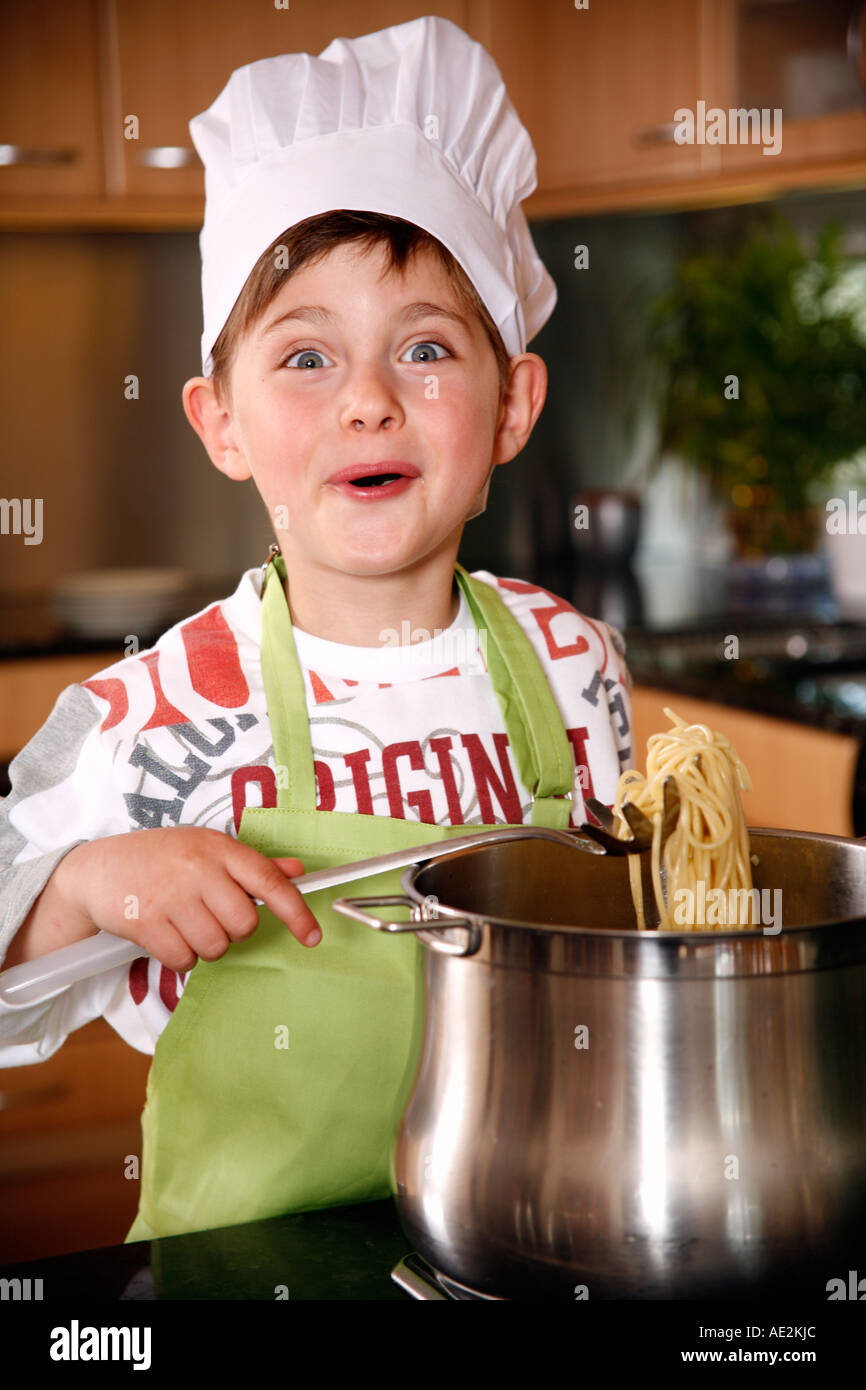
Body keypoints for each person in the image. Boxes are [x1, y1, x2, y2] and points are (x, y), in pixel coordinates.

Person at [0, 16, 633, 1241]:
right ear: (219, 421)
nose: (367, 399)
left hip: (535, 1242)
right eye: (303, 356)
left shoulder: (574, 663)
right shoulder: (159, 710)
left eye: (427, 347)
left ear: (513, 404)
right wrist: (83, 886)